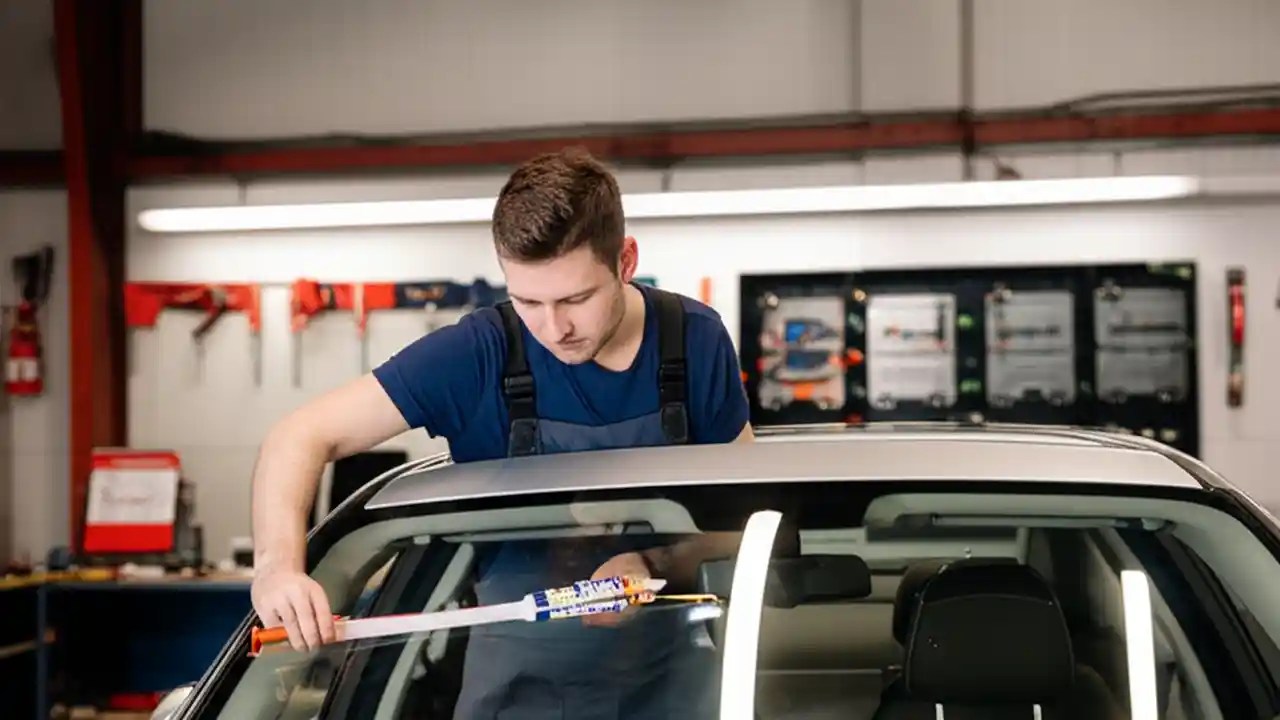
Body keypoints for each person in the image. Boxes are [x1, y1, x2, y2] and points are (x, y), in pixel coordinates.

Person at [249, 148, 753, 716]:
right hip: (518, 689)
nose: (554, 329)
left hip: (673, 685)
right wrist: (277, 571)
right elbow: (298, 437)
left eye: (576, 299)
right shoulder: (477, 356)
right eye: (528, 301)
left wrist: (655, 563)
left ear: (626, 261)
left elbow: (746, 523)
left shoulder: (696, 342)